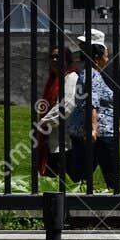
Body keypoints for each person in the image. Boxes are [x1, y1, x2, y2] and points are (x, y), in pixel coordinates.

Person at [70, 30, 120, 192]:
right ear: (97, 56)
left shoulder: (89, 74)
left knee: (82, 175)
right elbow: (91, 103)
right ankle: (117, 208)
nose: (107, 59)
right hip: (100, 135)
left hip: (98, 131)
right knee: (113, 177)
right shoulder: (92, 75)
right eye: (106, 55)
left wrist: (117, 128)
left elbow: (100, 107)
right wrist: (93, 128)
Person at [33, 45, 80, 179]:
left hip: (65, 143)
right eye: (52, 57)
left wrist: (44, 122)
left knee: (63, 181)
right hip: (52, 141)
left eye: (58, 57)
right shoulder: (54, 80)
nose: (54, 60)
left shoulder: (71, 78)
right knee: (52, 181)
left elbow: (67, 105)